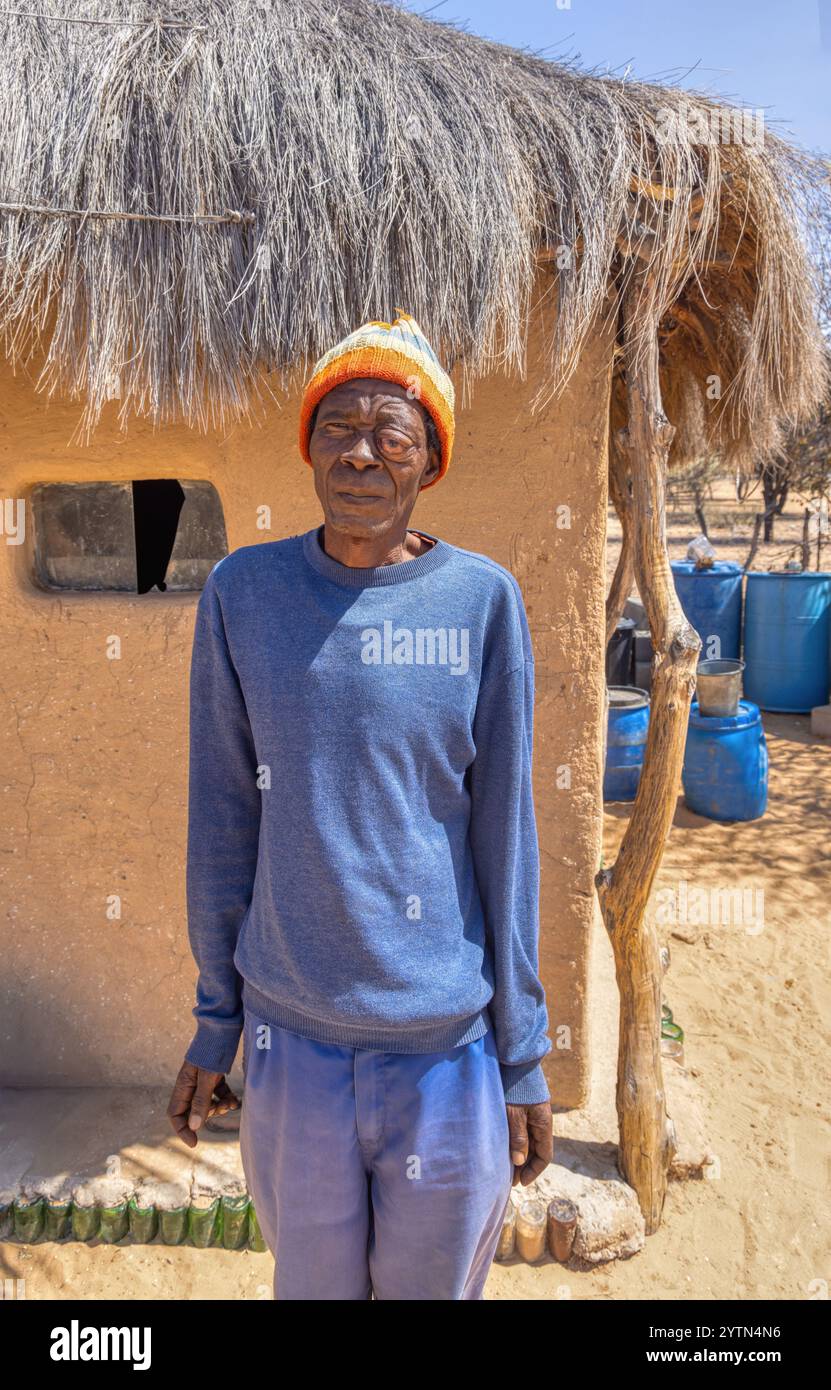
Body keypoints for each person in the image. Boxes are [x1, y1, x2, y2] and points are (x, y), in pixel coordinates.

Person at [167, 311, 553, 1299]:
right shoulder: (243, 595)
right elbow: (222, 818)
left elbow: (507, 841)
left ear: (431, 461)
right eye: (338, 425)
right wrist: (217, 1023)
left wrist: (522, 1056)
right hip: (288, 1044)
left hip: (444, 1056)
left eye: (394, 432)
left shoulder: (482, 603)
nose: (362, 452)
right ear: (307, 446)